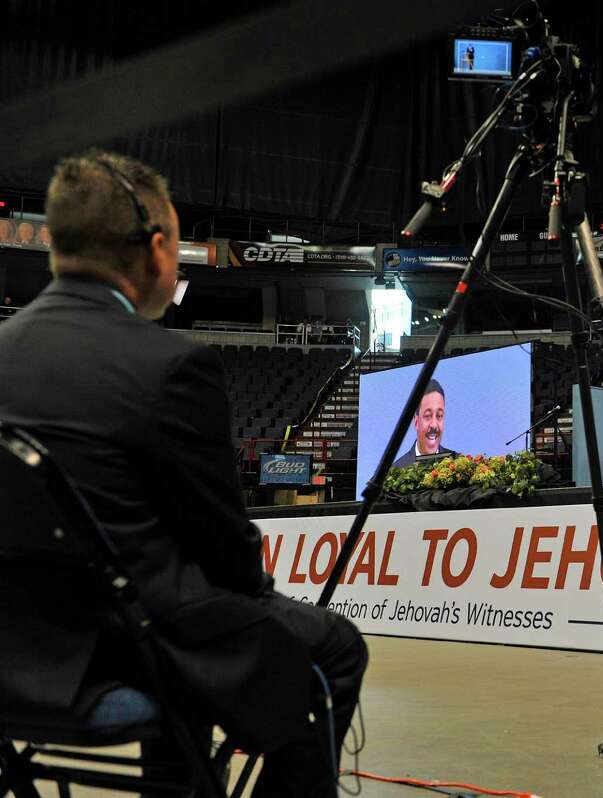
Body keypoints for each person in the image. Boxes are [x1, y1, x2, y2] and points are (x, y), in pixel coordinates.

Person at [0, 150, 367, 797]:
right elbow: (227, 555)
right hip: (123, 656)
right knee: (333, 645)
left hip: (12, 649)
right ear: (159, 245)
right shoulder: (171, 365)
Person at [391, 378, 457, 468]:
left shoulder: (458, 464)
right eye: (428, 416)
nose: (434, 425)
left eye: (439, 416)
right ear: (416, 420)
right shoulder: (395, 472)